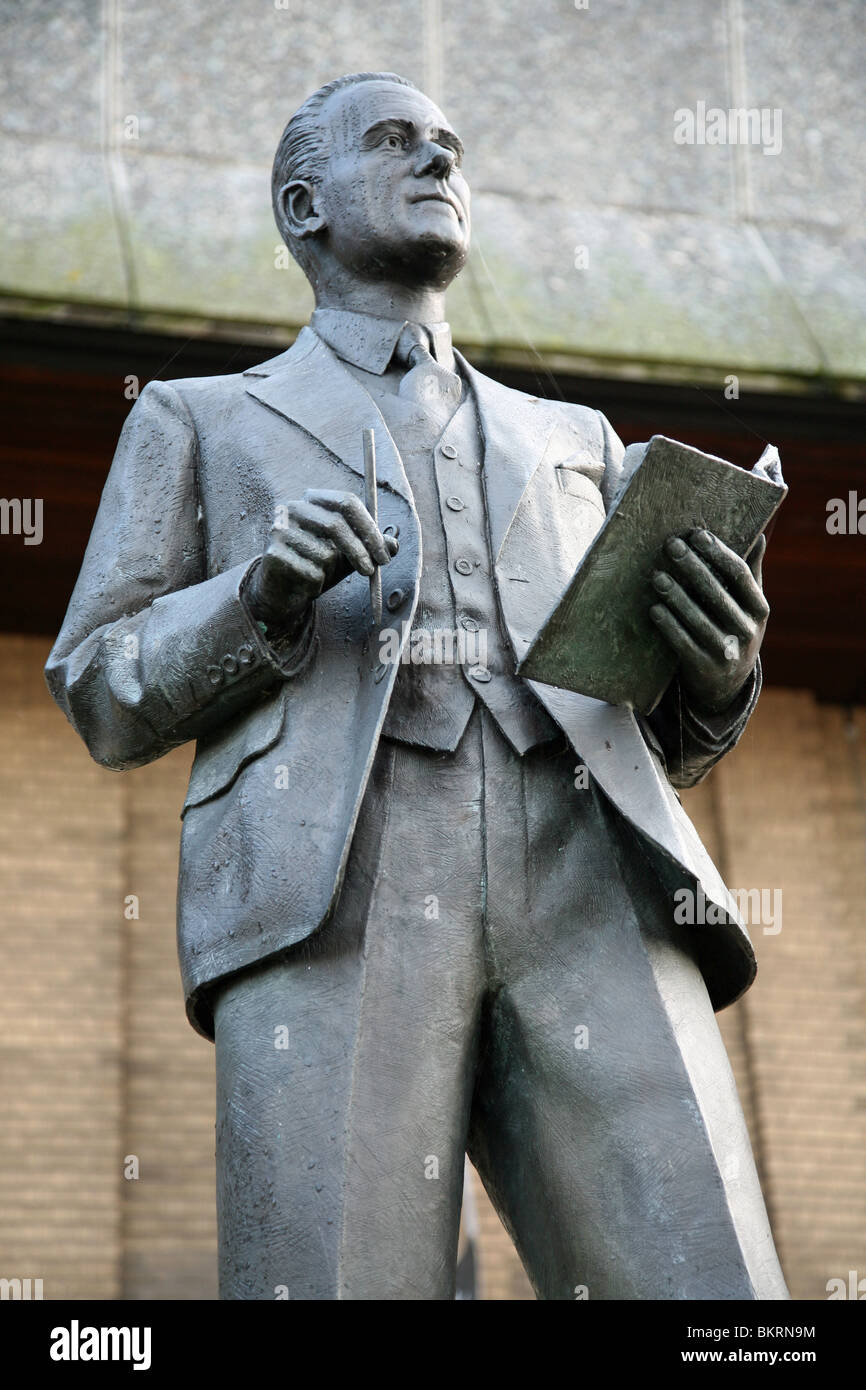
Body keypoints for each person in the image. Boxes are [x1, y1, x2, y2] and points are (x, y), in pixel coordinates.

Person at [46, 71, 788, 1300]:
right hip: (333, 893)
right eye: (394, 142)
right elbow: (98, 681)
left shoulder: (578, 440)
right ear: (302, 205)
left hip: (591, 884)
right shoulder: (199, 419)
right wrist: (255, 596)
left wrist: (714, 672)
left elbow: (665, 727)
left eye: (448, 146)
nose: (436, 160)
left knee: (711, 1287)